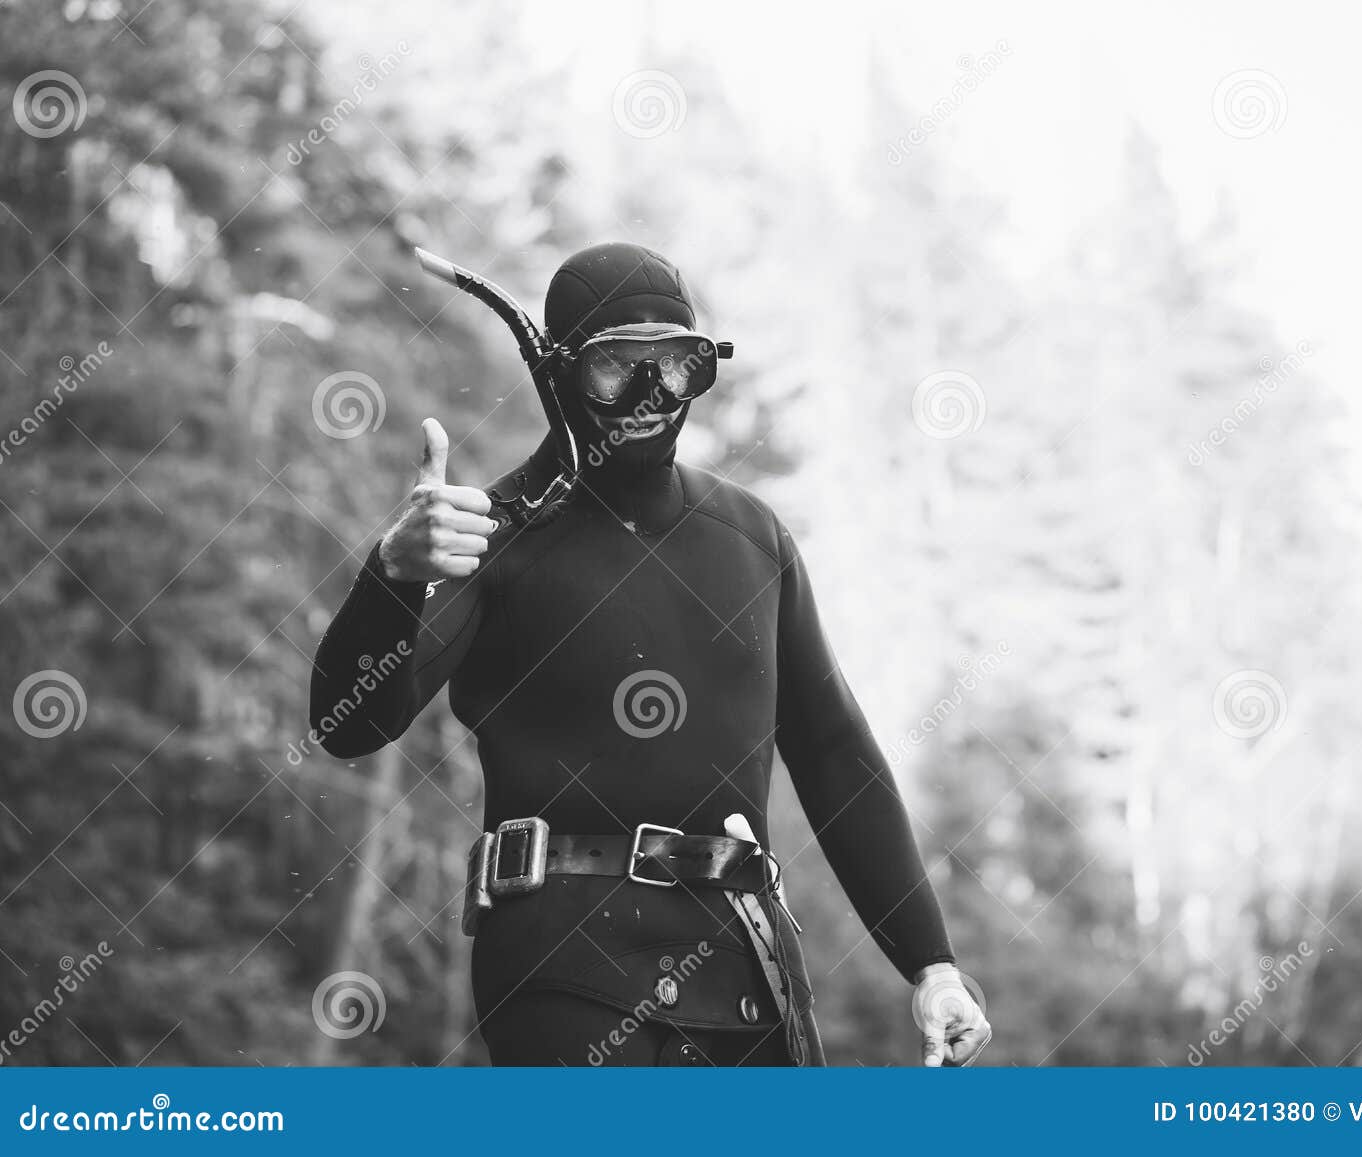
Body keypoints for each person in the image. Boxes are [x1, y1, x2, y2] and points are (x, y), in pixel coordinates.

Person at [309, 241, 990, 1066]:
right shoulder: (494, 538)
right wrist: (392, 574)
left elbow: (837, 755)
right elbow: (349, 726)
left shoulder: (751, 538)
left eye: (679, 367)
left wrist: (932, 965)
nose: (650, 395)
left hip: (750, 977)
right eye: (616, 367)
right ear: (556, 370)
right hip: (564, 978)